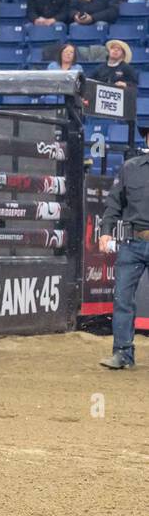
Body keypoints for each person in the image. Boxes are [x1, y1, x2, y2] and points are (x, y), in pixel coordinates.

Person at [96, 123, 149, 369]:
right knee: (122, 298)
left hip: (134, 243)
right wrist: (106, 232)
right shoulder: (130, 169)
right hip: (133, 242)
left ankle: (124, 353)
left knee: (124, 298)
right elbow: (114, 204)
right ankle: (122, 353)